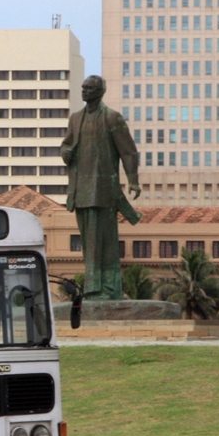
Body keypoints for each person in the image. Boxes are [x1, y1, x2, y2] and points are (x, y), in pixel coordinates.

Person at [58, 75, 143, 301]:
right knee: (89, 242)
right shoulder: (76, 119)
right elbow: (66, 145)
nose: (84, 91)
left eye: (89, 88)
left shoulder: (112, 118)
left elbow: (128, 151)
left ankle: (107, 289)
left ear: (100, 91)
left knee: (104, 242)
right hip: (81, 191)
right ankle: (95, 288)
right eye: (83, 87)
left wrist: (132, 179)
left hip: (104, 189)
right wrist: (65, 152)